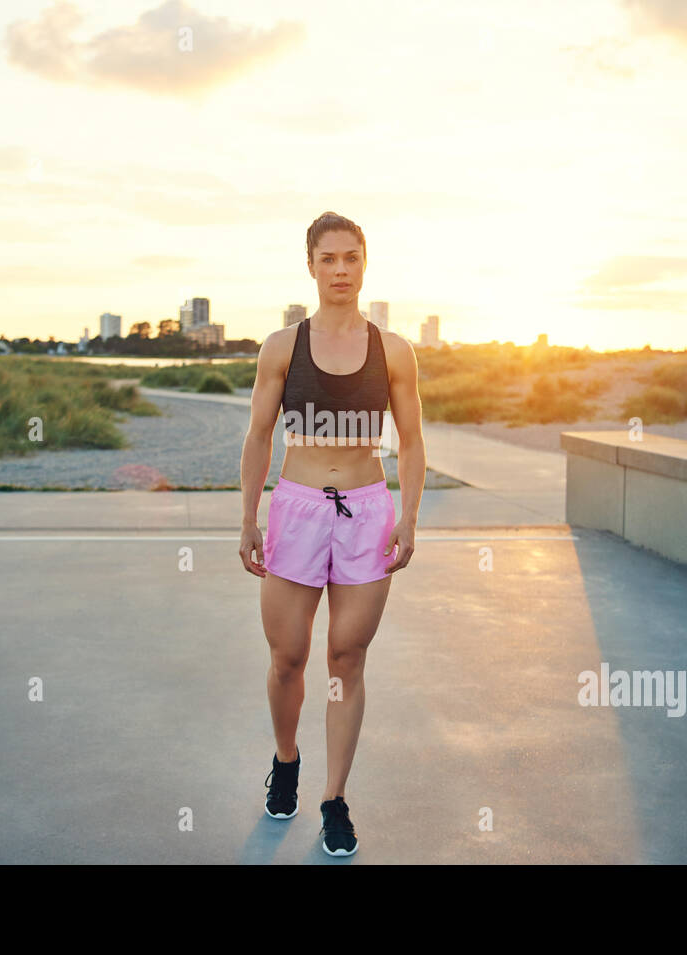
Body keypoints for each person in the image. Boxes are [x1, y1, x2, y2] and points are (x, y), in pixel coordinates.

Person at [239, 211, 425, 856]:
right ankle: (286, 758)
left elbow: (413, 441)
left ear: (364, 262)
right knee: (288, 657)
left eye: (351, 258)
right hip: (296, 509)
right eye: (328, 259)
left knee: (347, 659)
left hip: (368, 512)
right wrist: (248, 518)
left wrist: (408, 517)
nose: (341, 270)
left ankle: (334, 799)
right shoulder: (281, 347)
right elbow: (259, 435)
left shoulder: (393, 349)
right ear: (311, 266)